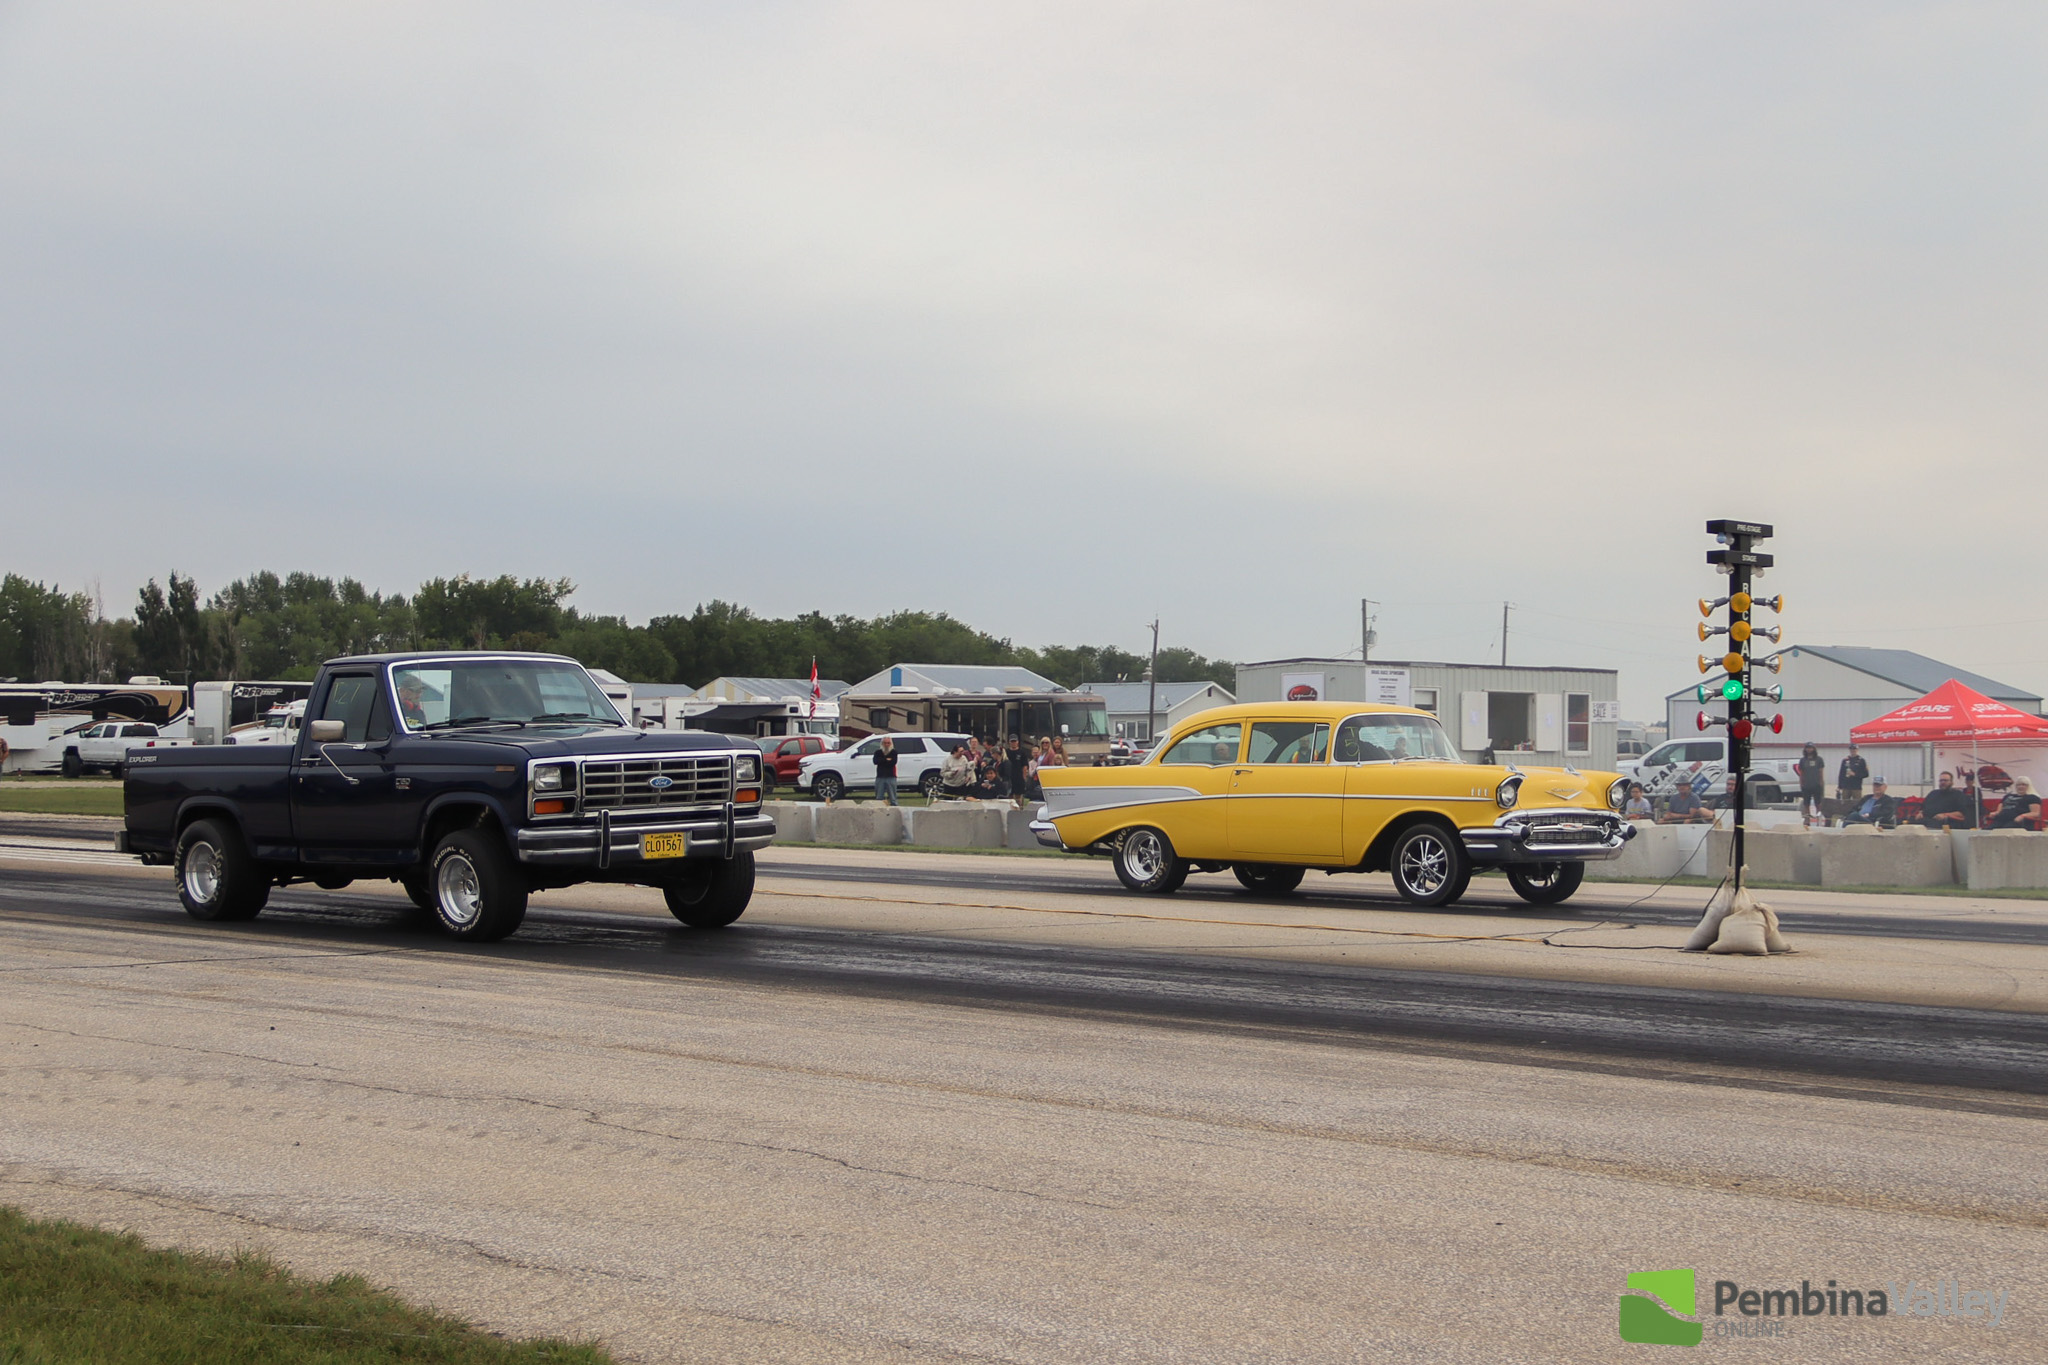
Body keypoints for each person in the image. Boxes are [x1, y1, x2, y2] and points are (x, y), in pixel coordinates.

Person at [1797, 743, 1827, 823]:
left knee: (1818, 803)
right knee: (1806, 804)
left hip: (1817, 785)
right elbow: (1801, 773)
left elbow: (1821, 772)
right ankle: (1807, 820)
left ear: (1814, 749)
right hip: (1806, 785)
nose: (1809, 750)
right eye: (1807, 748)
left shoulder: (1819, 759)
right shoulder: (1802, 760)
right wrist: (1801, 783)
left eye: (1810, 748)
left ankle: (1818, 819)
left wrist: (1821, 783)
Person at [1837, 744, 1869, 808]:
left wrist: (1855, 774)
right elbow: (1841, 774)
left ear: (1857, 750)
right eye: (1851, 749)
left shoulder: (1861, 760)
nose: (1853, 751)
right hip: (1846, 786)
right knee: (1845, 804)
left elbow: (1866, 774)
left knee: (1857, 804)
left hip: (1856, 787)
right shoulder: (1845, 760)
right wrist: (1839, 786)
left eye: (1854, 749)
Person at [873, 735, 900, 806]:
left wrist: (882, 761)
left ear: (891, 744)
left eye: (888, 743)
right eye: (885, 743)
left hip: (891, 777)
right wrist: (886, 759)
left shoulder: (894, 752)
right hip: (880, 777)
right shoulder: (878, 752)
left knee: (893, 798)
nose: (886, 745)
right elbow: (875, 761)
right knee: (879, 797)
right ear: (882, 743)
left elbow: (893, 762)